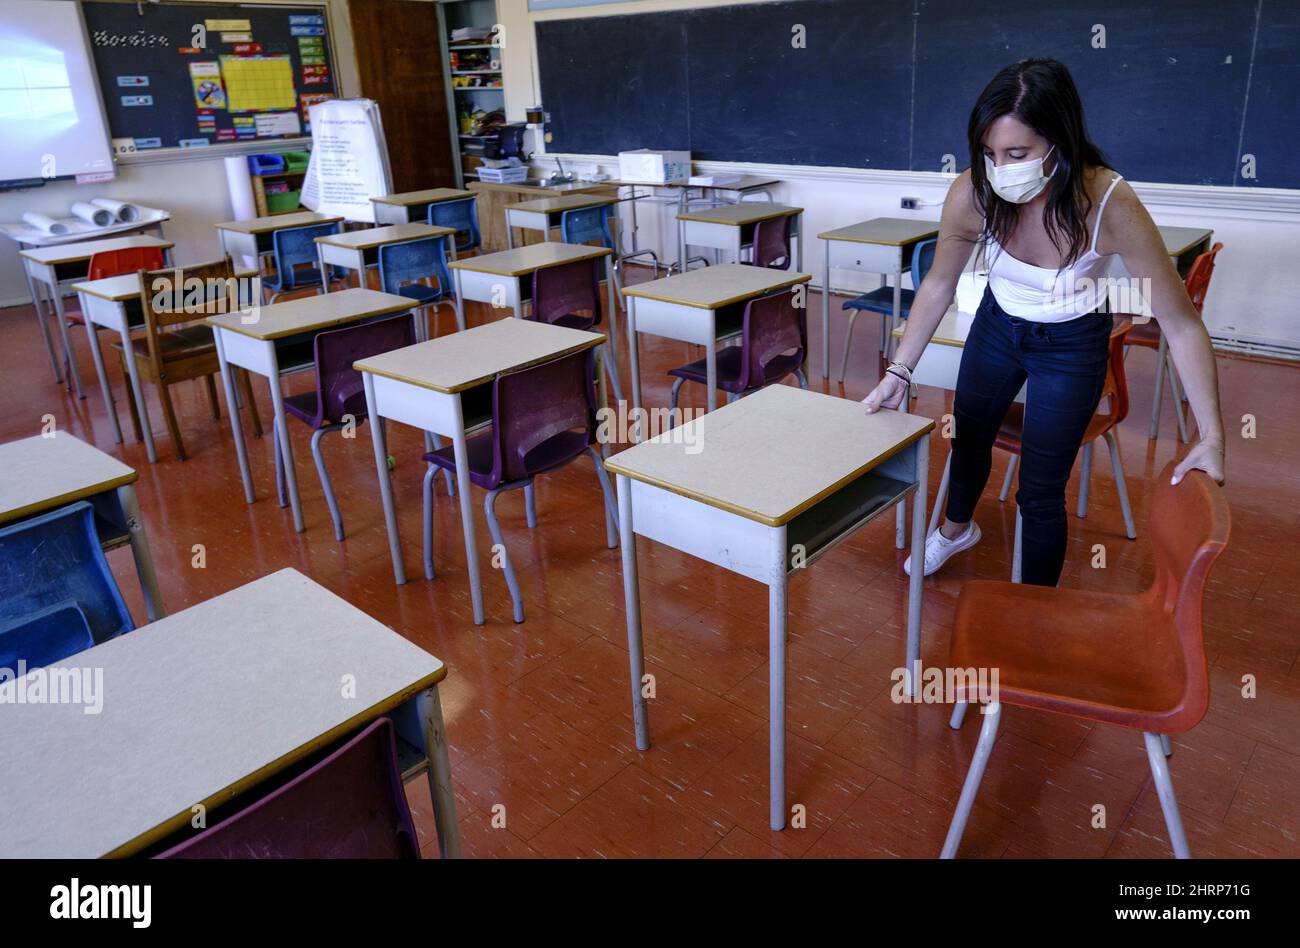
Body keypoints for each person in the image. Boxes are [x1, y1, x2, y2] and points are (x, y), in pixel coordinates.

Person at [862, 58, 1225, 586]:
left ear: (1058, 142)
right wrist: (900, 371)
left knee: (1040, 488)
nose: (1001, 168)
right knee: (967, 438)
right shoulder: (973, 192)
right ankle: (957, 529)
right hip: (997, 323)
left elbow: (1181, 322)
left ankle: (1035, 611)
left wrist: (1212, 434)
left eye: (1017, 154)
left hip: (1072, 342)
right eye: (989, 153)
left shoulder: (1108, 203)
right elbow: (939, 283)